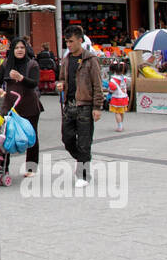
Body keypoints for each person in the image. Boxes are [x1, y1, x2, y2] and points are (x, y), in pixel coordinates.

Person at [56, 25, 104, 188]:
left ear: (80, 41)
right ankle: (83, 159)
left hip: (85, 105)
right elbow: (61, 78)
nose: (68, 45)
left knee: (84, 141)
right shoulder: (67, 59)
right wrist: (60, 84)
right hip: (69, 105)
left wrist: (98, 107)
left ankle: (83, 174)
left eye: (71, 41)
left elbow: (97, 84)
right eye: (66, 42)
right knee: (67, 138)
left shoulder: (90, 60)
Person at [0, 39, 42, 175]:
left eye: (22, 47)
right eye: (16, 48)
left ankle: (31, 168)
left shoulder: (32, 64)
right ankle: (3, 168)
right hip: (10, 105)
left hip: (29, 105)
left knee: (31, 136)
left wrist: (21, 77)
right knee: (5, 137)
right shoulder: (6, 64)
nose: (19, 50)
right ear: (12, 50)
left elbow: (34, 83)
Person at [107, 59, 130, 132]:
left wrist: (109, 91)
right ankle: (121, 124)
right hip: (124, 97)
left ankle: (119, 126)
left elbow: (112, 88)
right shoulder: (124, 78)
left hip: (117, 98)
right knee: (122, 112)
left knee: (117, 113)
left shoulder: (113, 79)